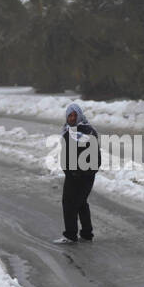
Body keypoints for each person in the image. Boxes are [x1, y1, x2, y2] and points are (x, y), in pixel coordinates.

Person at [55, 101, 102, 243]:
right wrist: (68, 171)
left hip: (83, 176)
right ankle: (87, 234)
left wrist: (82, 173)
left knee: (70, 204)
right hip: (72, 175)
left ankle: (70, 235)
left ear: (80, 116)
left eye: (75, 115)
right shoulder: (68, 131)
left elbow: (95, 158)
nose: (72, 118)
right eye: (70, 115)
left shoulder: (87, 132)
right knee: (81, 203)